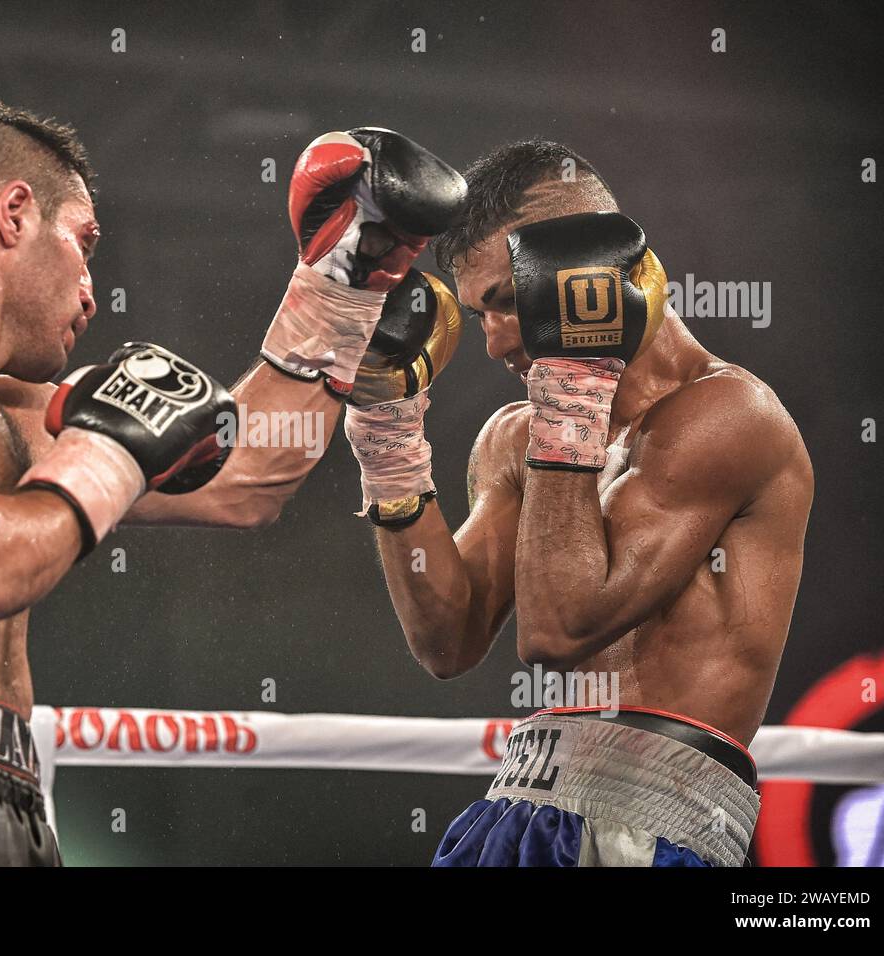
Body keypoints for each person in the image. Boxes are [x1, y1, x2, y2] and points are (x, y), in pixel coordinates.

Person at [0, 99, 465, 866]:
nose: (91, 287)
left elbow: (248, 476)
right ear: (14, 212)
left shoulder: (9, 411)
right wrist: (110, 456)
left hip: (6, 791)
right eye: (83, 244)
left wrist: (344, 284)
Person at [342, 141, 814, 866]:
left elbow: (560, 629)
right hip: (513, 809)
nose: (494, 341)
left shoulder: (730, 416)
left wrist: (571, 392)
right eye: (478, 312)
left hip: (649, 823)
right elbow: (447, 642)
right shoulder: (513, 436)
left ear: (585, 274)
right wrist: (387, 440)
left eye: (506, 300)